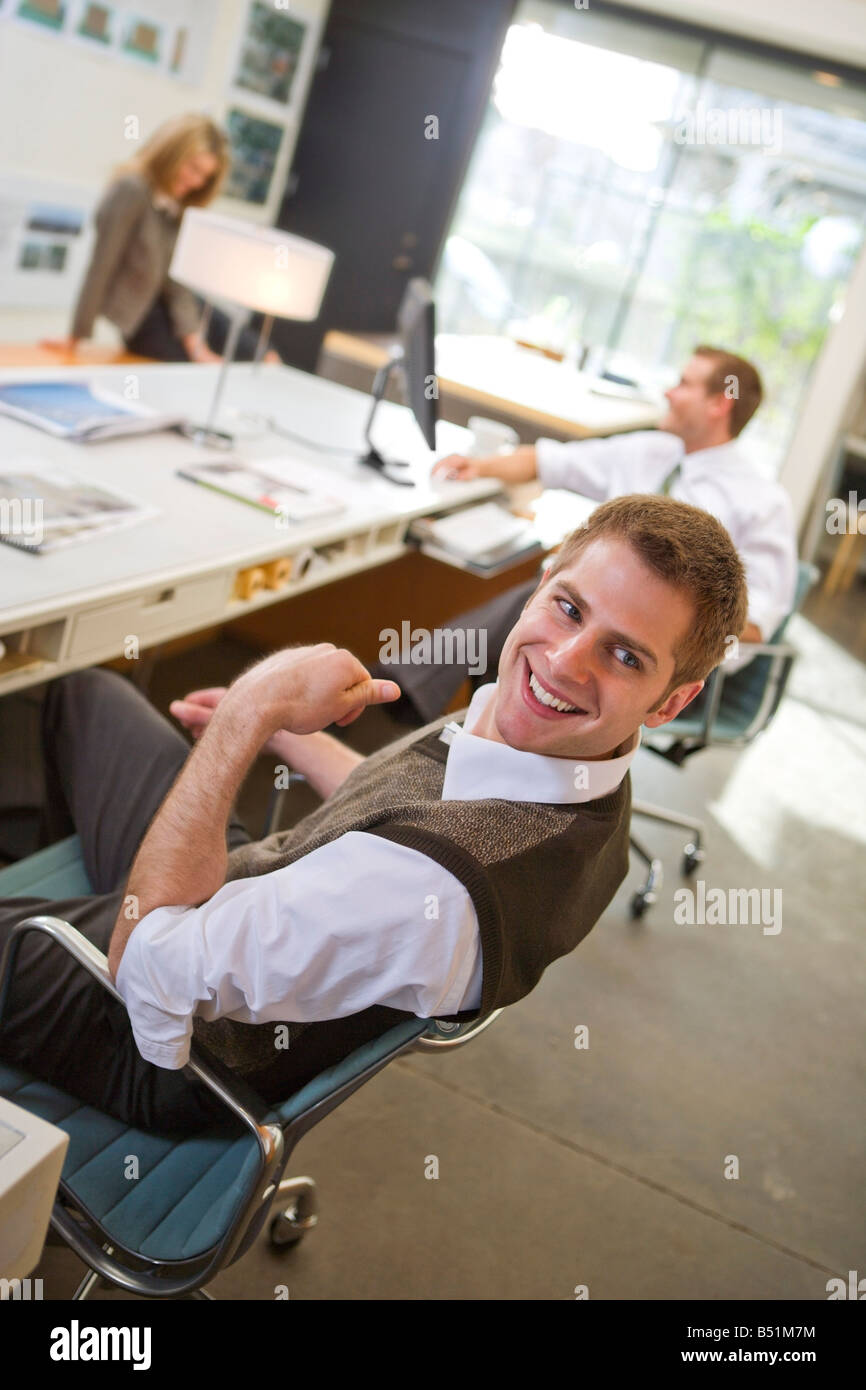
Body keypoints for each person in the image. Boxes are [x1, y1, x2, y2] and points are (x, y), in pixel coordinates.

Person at [0, 496, 746, 1133]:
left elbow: (146, 963)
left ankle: (45, 1012)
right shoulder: (571, 768)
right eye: (570, 608)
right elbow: (403, 814)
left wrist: (251, 714)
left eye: (624, 657)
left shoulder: (427, 890)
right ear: (543, 580)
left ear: (674, 699)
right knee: (86, 697)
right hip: (255, 898)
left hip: (164, 1036)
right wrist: (294, 734)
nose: (563, 662)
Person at [384, 346, 797, 724]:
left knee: (540, 606)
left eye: (684, 384)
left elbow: (754, 627)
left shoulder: (761, 502)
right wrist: (483, 466)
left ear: (719, 403)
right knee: (544, 609)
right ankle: (471, 733)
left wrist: (645, 618)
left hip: (674, 672)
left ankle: (401, 693)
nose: (668, 393)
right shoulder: (653, 451)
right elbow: (552, 462)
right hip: (603, 638)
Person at [41, 112, 279, 365]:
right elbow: (101, 266)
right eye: (194, 169)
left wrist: (195, 343)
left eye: (205, 177)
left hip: (180, 302)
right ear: (172, 153)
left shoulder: (178, 204)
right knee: (191, 370)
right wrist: (77, 335)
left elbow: (177, 284)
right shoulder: (131, 190)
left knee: (263, 355)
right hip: (145, 314)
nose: (196, 182)